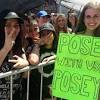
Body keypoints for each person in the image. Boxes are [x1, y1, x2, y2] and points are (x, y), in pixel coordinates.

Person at [0, 11, 29, 100]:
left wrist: (25, 63)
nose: (13, 29)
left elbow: (26, 73)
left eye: (16, 26)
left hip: (15, 95)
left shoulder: (19, 46)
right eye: (8, 25)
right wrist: (5, 48)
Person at [29, 22, 57, 100]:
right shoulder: (38, 49)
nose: (47, 36)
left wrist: (54, 57)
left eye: (49, 33)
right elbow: (33, 60)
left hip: (55, 86)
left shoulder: (59, 47)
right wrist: (37, 45)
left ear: (54, 34)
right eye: (43, 34)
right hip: (40, 88)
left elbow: (66, 56)